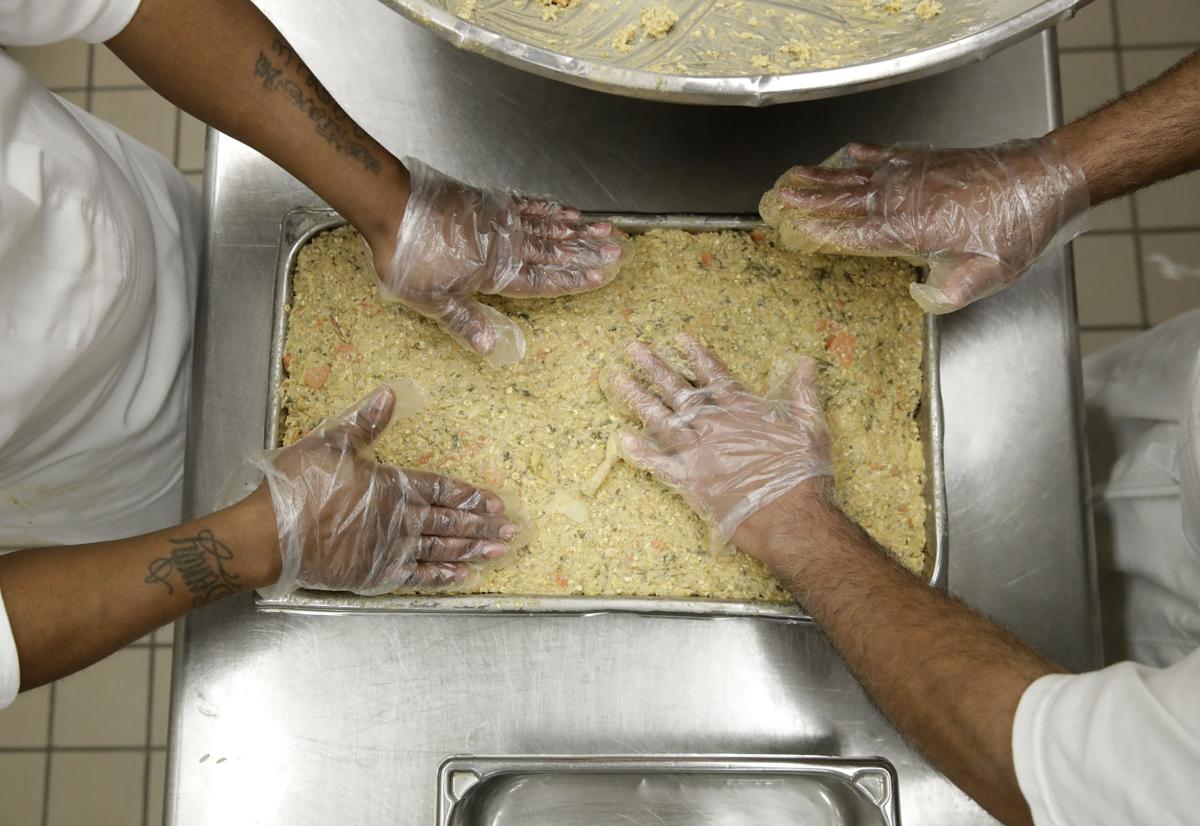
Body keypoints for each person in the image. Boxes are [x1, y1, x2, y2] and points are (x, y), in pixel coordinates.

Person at [606, 51, 1200, 825]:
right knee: (1094, 424)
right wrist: (1058, 170)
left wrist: (789, 517)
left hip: (1159, 658)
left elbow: (1026, 764)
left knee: (1099, 634)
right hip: (1178, 400)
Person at [0, 0, 624, 708]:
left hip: (143, 228)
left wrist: (394, 206)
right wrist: (262, 539)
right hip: (86, 476)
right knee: (189, 495)